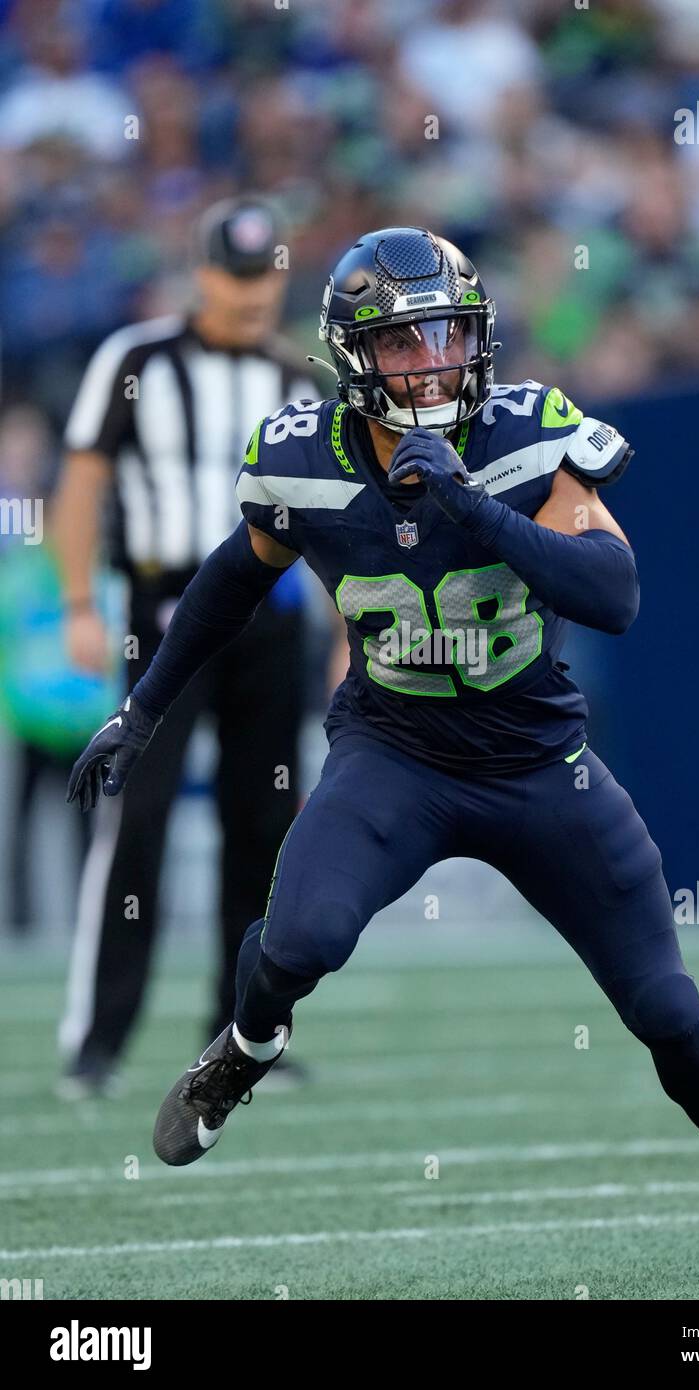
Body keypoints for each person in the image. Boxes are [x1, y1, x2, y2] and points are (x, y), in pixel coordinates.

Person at [69, 226, 699, 1276]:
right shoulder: (302, 455)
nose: (431, 363)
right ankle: (243, 1049)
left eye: (446, 336)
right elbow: (229, 580)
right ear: (351, 358)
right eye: (402, 343)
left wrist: (467, 502)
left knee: (664, 1006)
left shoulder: (524, 432)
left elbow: (612, 594)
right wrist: (142, 710)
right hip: (395, 759)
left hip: (538, 763)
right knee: (297, 944)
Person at [55, 197, 320, 1095]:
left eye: (264, 276)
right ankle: (98, 1037)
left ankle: (243, 1039)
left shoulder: (301, 379)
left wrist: (352, 630)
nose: (251, 295)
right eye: (234, 276)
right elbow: (83, 479)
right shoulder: (136, 361)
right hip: (165, 611)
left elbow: (337, 518)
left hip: (273, 619)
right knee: (139, 819)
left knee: (265, 828)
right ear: (200, 274)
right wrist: (80, 602)